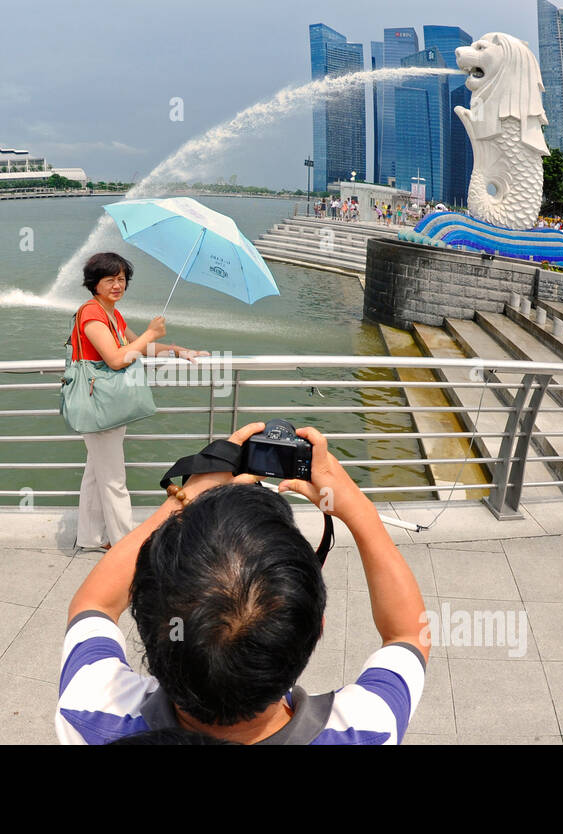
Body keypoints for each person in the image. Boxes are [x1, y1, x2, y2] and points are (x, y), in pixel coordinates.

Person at [57, 421, 430, 744]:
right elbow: (408, 636)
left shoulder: (90, 716)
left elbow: (95, 604)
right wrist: (354, 506)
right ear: (317, 629)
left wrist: (188, 495)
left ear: (152, 627)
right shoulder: (366, 731)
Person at [71, 252, 205, 550]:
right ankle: (125, 546)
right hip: (99, 405)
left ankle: (91, 537)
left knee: (97, 474)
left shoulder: (111, 313)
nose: (118, 285)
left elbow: (141, 348)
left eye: (122, 279)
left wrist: (177, 349)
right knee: (114, 479)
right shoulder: (92, 314)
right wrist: (150, 332)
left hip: (107, 405)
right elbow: (117, 359)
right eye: (110, 280)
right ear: (94, 283)